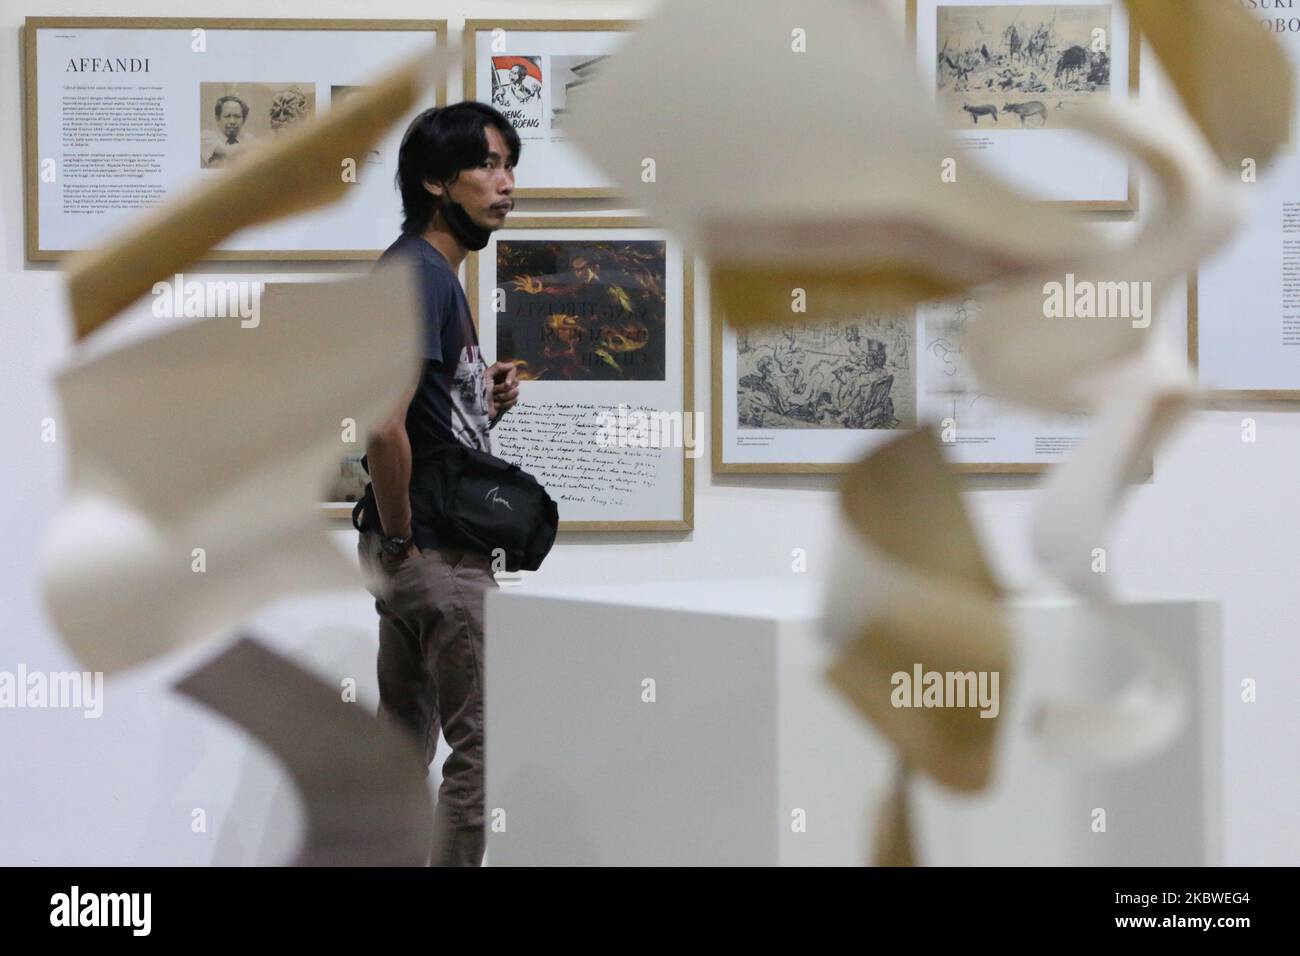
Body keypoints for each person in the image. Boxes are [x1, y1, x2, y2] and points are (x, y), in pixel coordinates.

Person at [358, 102, 521, 866]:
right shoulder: (419, 275)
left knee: (400, 750)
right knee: (481, 750)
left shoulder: (422, 276)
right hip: (435, 551)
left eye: (509, 164)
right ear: (434, 181)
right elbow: (382, 426)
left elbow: (417, 422)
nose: (506, 182)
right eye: (487, 164)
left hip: (413, 544)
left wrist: (476, 400)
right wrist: (402, 542)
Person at [200, 94, 257, 168]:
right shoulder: (206, 137)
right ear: (217, 119)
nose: (232, 121)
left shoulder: (250, 139)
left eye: (237, 116)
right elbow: (227, 152)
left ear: (244, 120)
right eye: (227, 116)